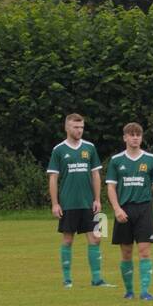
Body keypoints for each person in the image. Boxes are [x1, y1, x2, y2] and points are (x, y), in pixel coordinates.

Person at [106, 122, 153, 301]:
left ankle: (144, 292)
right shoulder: (116, 160)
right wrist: (117, 209)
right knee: (126, 252)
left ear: (141, 138)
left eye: (138, 134)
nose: (135, 137)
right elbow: (111, 187)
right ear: (125, 137)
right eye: (131, 134)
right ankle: (128, 292)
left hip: (144, 209)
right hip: (124, 210)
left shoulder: (150, 160)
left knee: (144, 251)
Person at [46, 113, 112, 288]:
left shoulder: (89, 148)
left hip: (89, 203)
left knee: (97, 238)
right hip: (68, 203)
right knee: (68, 240)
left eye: (81, 127)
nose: (79, 130)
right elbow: (53, 177)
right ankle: (67, 280)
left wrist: (98, 199)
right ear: (67, 128)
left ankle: (97, 279)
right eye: (76, 127)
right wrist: (55, 203)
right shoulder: (58, 150)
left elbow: (96, 174)